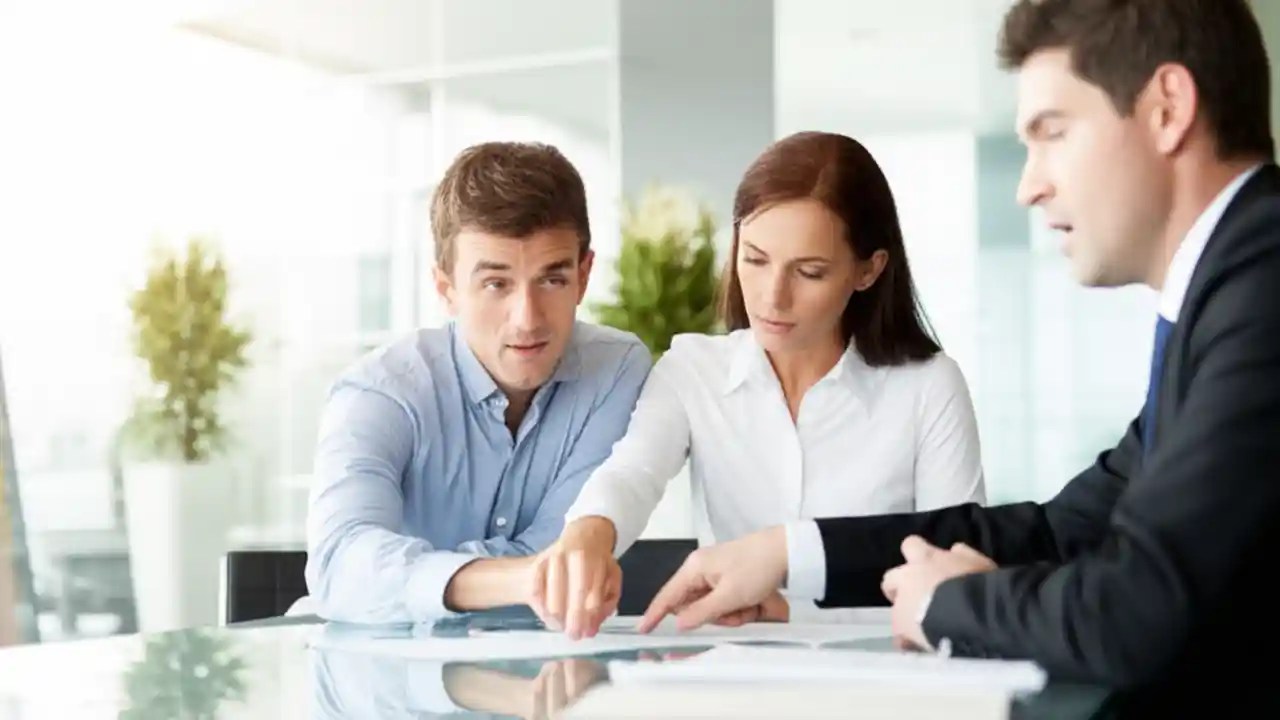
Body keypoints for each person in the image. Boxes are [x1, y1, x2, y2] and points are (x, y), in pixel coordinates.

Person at [634, 0, 1280, 709]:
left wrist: (951, 604)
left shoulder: (1263, 289)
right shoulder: (1229, 289)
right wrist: (788, 553)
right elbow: (1059, 532)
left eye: (1051, 133)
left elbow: (1136, 606)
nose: (1029, 184)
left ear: (1167, 108)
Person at [529, 131, 986, 639]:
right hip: (734, 678)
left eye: (809, 272)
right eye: (755, 259)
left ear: (868, 270)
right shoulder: (692, 370)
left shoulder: (928, 387)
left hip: (886, 676)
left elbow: (956, 579)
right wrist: (589, 532)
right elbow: (632, 472)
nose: (772, 297)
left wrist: (793, 613)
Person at [304, 141, 650, 623]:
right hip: (381, 679)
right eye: (496, 284)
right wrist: (526, 577)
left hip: (541, 672)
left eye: (552, 279)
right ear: (446, 288)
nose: (527, 319)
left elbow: (564, 545)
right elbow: (340, 568)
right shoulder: (380, 392)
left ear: (584, 275)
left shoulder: (615, 372)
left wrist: (413, 570)